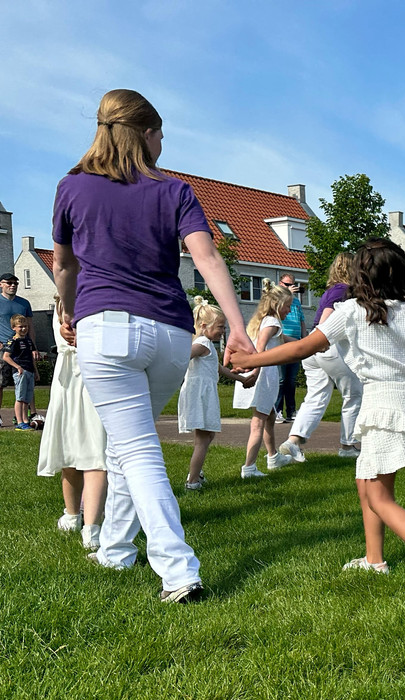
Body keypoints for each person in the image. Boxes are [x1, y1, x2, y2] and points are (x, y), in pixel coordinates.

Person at [52, 88, 252, 603]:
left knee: (136, 447)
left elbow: (64, 265)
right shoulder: (175, 190)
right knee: (126, 444)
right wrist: (238, 327)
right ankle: (115, 550)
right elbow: (208, 259)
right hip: (171, 335)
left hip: (106, 330)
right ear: (145, 133)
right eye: (161, 134)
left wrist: (67, 310)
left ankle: (178, 569)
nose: (163, 144)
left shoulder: (72, 187)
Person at [229, 238, 405, 592]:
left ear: (360, 276)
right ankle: (375, 560)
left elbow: (302, 348)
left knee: (379, 497)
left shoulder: (351, 312)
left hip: (380, 407)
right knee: (366, 480)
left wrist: (250, 360)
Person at [37, 298, 108, 550]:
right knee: (72, 449)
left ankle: (89, 523)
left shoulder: (99, 300)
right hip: (70, 381)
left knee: (94, 451)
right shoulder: (68, 303)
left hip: (93, 378)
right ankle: (74, 515)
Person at [278, 253, 363, 462]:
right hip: (327, 345)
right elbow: (326, 319)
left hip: (313, 347)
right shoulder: (343, 290)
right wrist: (324, 341)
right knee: (354, 392)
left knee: (315, 396)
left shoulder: (331, 290)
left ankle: (293, 441)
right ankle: (348, 445)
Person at [178, 302, 255, 490]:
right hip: (199, 395)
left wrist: (241, 379)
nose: (223, 331)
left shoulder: (207, 345)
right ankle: (192, 481)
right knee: (203, 439)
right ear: (204, 326)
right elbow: (183, 357)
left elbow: (218, 368)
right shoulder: (202, 343)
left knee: (207, 435)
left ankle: (196, 474)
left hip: (203, 394)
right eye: (220, 327)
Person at [234, 281, 294, 478]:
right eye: (287, 306)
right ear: (277, 304)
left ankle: (273, 456)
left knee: (269, 416)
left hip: (259, 373)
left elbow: (284, 341)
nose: (289, 310)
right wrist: (255, 373)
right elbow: (260, 350)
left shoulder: (263, 321)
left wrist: (310, 344)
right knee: (258, 422)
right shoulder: (272, 322)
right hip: (262, 375)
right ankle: (249, 468)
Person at [0, 273, 36, 421]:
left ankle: (27, 415)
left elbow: (30, 326)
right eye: (9, 283)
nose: (12, 285)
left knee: (26, 380)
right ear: (1, 284)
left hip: (23, 348)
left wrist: (33, 347)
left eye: (15, 283)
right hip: (4, 347)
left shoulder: (24, 303)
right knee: (1, 382)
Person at [274, 274, 305, 422]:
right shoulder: (277, 299)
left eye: (292, 285)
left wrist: (305, 339)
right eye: (287, 285)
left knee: (291, 379)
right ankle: (277, 410)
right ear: (280, 284)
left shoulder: (296, 302)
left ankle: (291, 411)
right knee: (281, 379)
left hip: (296, 342)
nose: (290, 287)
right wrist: (288, 295)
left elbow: (302, 320)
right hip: (282, 341)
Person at [3, 315, 37, 428]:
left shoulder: (28, 341)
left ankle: (26, 420)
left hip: (29, 370)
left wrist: (36, 371)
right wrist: (17, 367)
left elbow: (31, 357)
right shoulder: (13, 341)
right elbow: (6, 357)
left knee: (27, 398)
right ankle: (19, 421)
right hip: (20, 372)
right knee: (20, 397)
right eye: (20, 326)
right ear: (14, 327)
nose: (23, 329)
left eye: (25, 326)